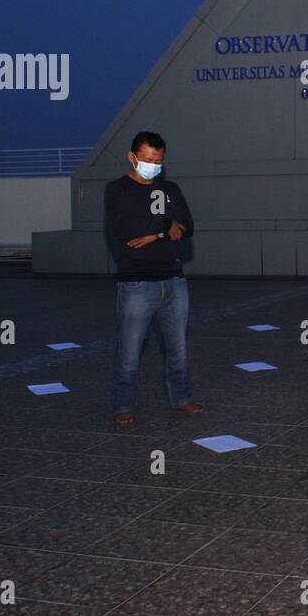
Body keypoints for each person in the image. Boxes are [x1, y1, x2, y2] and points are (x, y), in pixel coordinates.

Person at [104, 131, 202, 425]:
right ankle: (123, 405)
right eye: (147, 160)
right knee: (130, 348)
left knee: (178, 347)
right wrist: (165, 224)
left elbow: (188, 225)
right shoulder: (117, 190)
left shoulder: (170, 188)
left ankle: (181, 398)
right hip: (136, 282)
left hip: (173, 279)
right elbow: (127, 228)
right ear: (132, 157)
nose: (152, 165)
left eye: (157, 161)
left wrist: (156, 232)